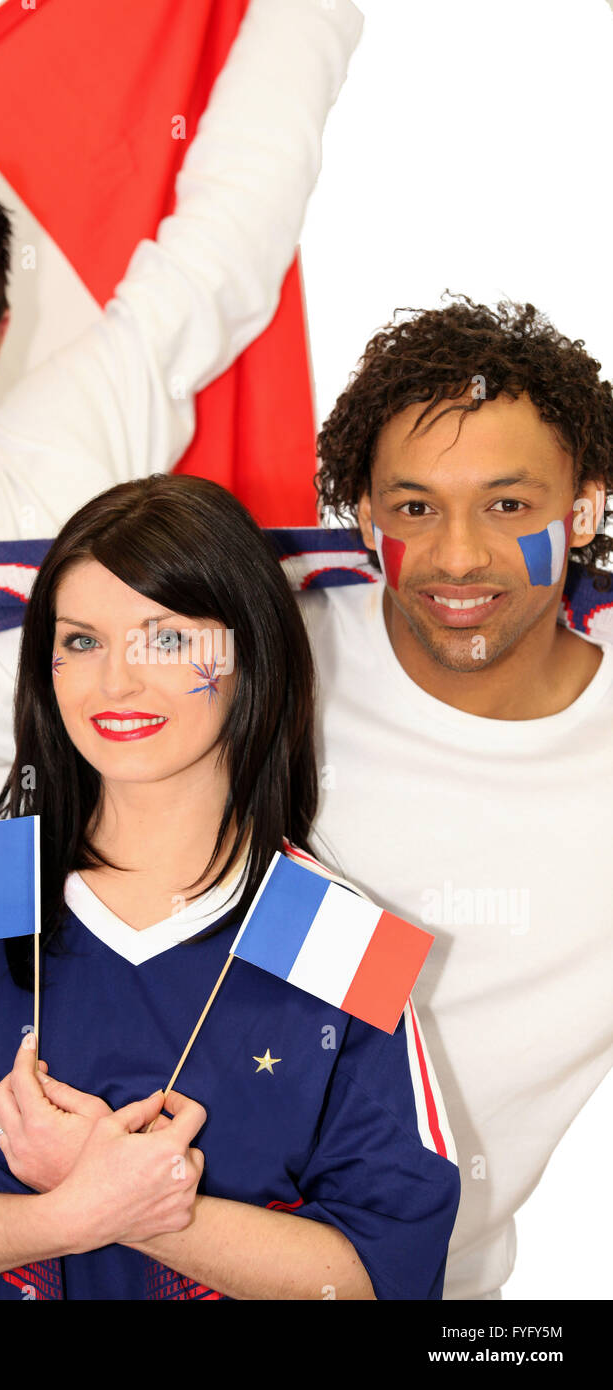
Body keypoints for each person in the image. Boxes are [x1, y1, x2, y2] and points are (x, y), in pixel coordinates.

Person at [0, 474, 460, 1300]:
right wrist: (69, 1214)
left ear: (251, 652)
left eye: (168, 639)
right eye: (81, 641)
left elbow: (381, 1277)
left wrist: (131, 1198)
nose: (114, 683)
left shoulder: (336, 938)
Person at [303, 294, 613, 1300]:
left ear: (584, 512)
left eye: (507, 506)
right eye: (413, 506)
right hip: (143, 1244)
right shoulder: (263, 655)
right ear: (363, 515)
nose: (455, 558)